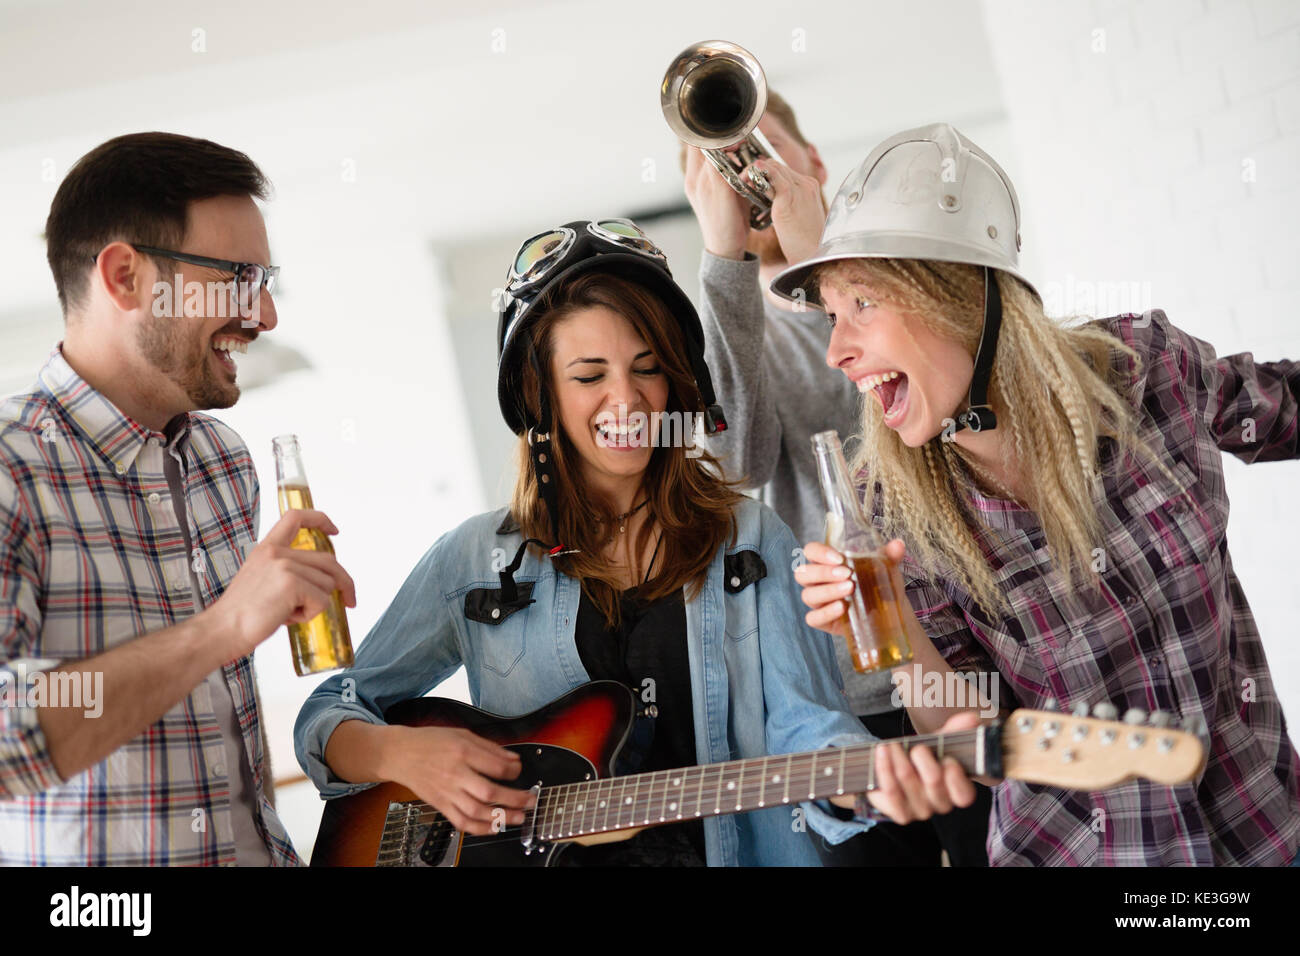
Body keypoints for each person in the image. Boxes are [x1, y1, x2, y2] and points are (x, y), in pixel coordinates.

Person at [294, 218, 977, 866]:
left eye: (646, 369)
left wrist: (865, 780)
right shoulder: (474, 559)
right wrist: (400, 757)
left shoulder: (752, 535)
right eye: (589, 376)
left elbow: (807, 725)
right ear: (542, 399)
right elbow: (330, 714)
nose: (626, 401)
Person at [786, 123, 1300, 866]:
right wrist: (898, 630)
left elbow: (1284, 409)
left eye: (863, 303)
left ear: (961, 294)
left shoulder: (1143, 371)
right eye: (832, 316)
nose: (837, 351)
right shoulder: (888, 505)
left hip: (1262, 829)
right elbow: (974, 738)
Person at [0, 132, 356, 865]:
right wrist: (220, 629)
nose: (264, 315)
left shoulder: (223, 465)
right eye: (238, 276)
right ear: (126, 276)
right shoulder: (11, 468)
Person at [682, 94, 991, 866]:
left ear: (815, 168)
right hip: (852, 704)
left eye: (765, 150)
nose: (747, 170)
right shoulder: (740, 333)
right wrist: (724, 263)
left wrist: (822, 251)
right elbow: (734, 465)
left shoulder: (906, 290)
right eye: (729, 157)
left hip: (979, 662)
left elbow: (920, 413)